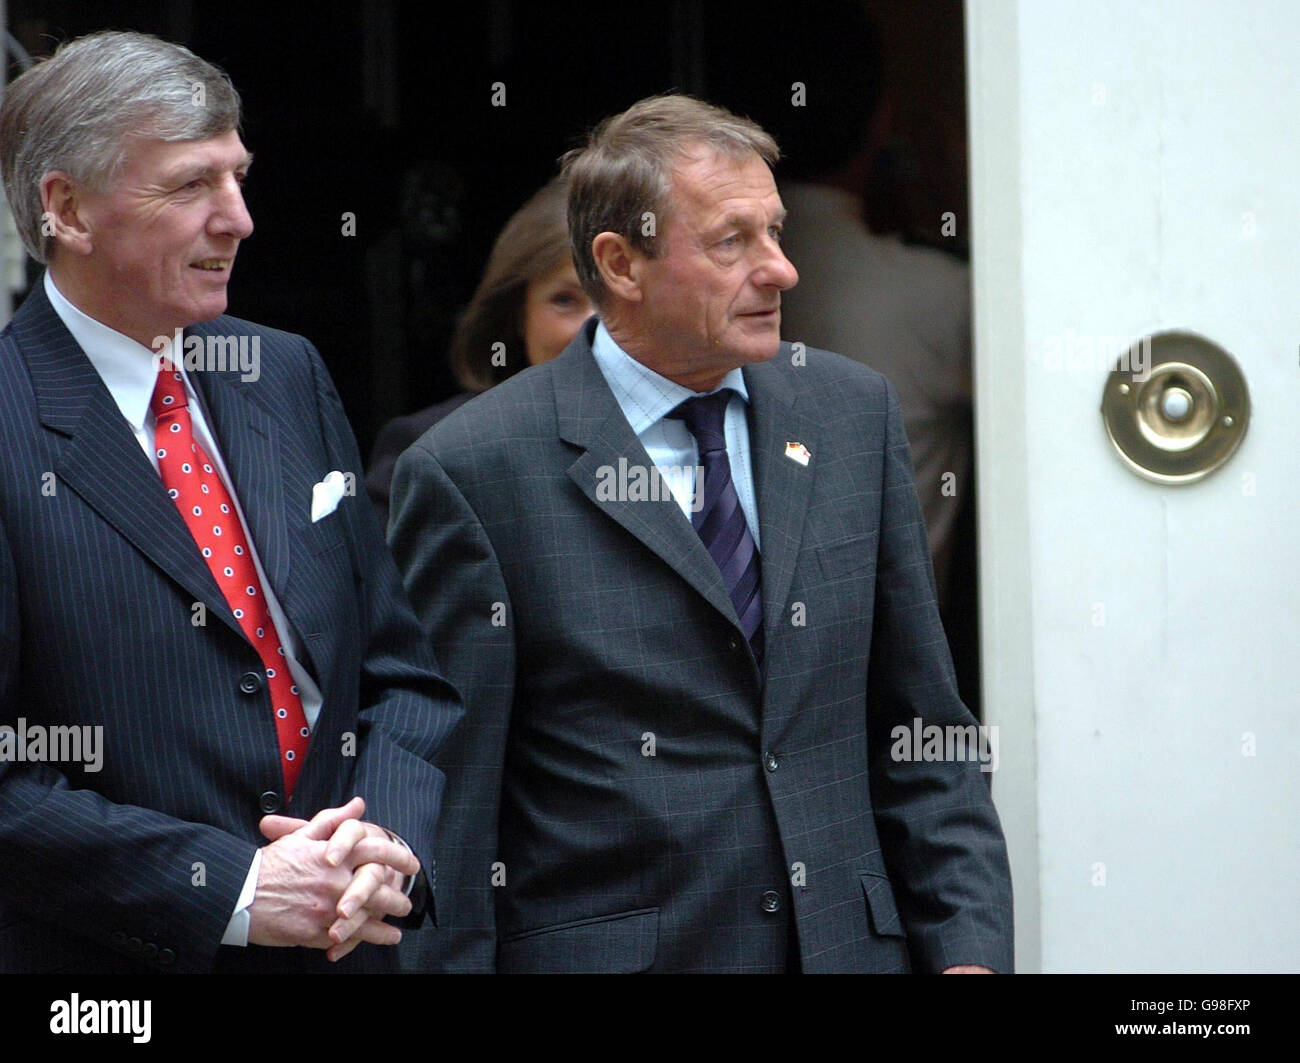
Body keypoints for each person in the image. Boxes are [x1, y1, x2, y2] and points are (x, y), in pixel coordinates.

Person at [389, 94, 1012, 973]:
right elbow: (449, 809)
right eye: (734, 241)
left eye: (777, 231)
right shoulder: (475, 469)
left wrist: (969, 950)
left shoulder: (847, 413)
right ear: (621, 264)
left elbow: (920, 724)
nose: (782, 270)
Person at [0, 30, 460, 974]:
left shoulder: (281, 371)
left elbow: (401, 674)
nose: (241, 218)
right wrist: (236, 888)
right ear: (68, 209)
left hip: (350, 946)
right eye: (191, 185)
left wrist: (386, 852)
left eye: (238, 176)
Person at [365, 176, 593, 528]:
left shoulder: (699, 439)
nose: (594, 330)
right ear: (518, 312)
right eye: (564, 300)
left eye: (618, 301)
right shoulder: (435, 451)